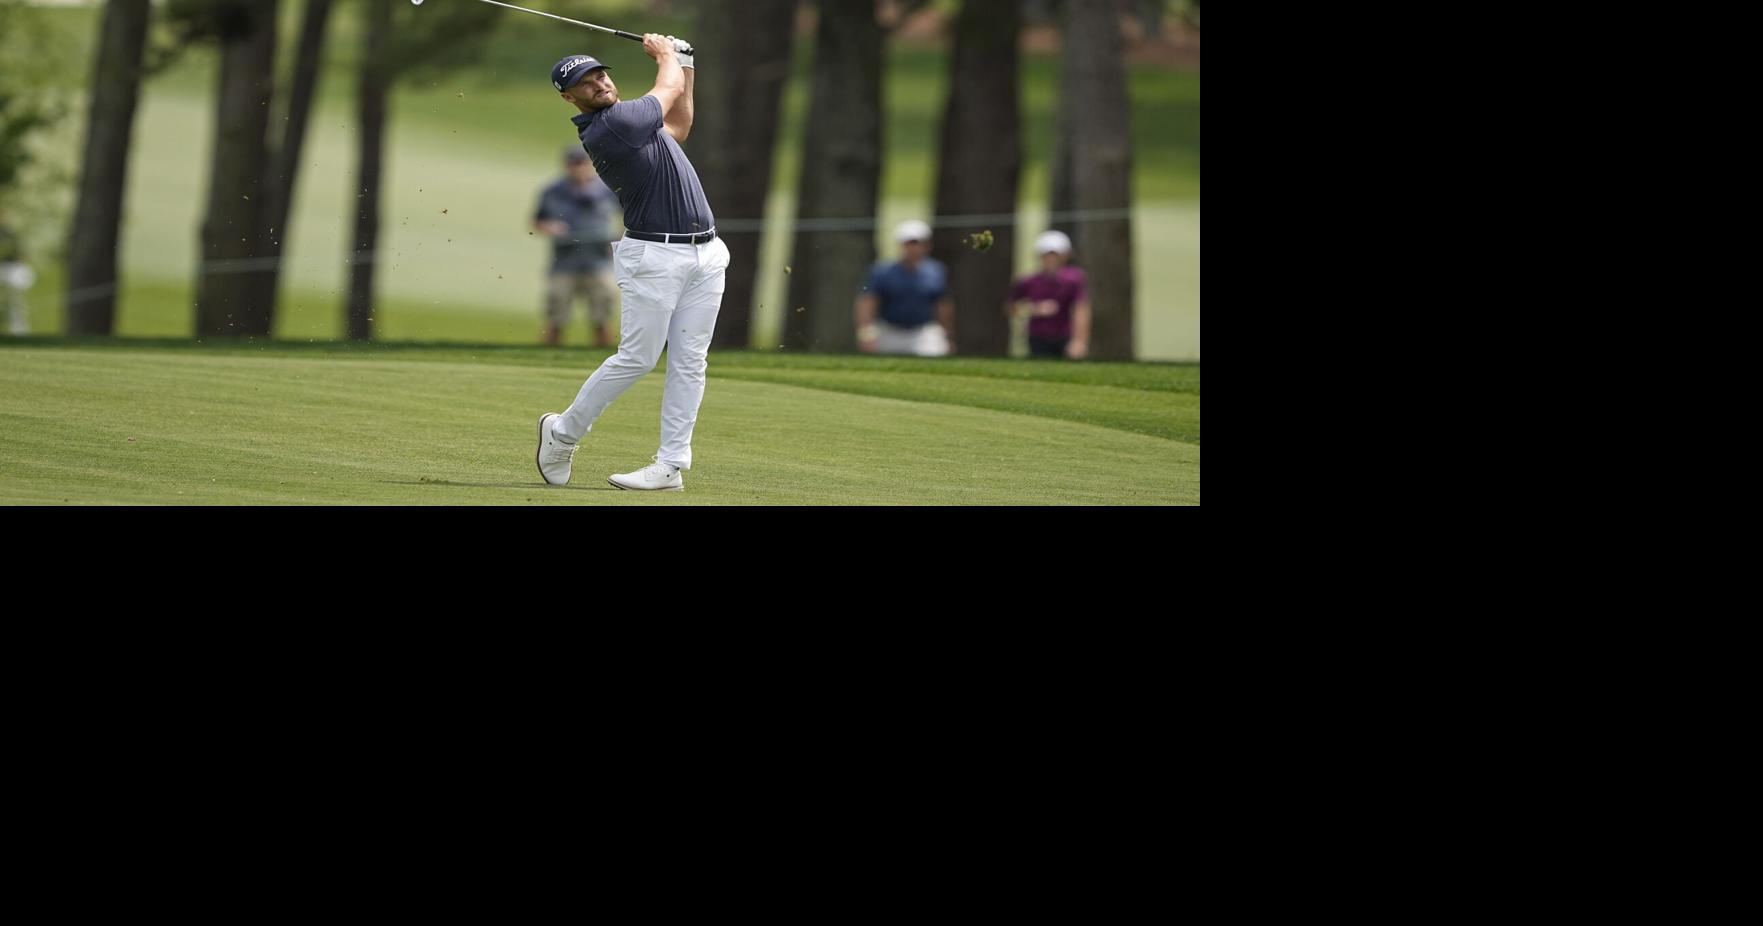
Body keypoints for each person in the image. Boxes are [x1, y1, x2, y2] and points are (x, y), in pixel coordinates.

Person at [534, 36, 728, 493]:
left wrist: (686, 63)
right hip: (654, 256)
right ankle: (561, 434)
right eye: (584, 83)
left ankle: (670, 466)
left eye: (600, 74)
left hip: (705, 253)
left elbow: (678, 124)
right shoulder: (611, 125)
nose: (599, 83)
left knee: (690, 363)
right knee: (638, 358)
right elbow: (664, 94)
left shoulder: (637, 126)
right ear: (569, 97)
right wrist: (666, 57)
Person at [534, 146, 620, 347]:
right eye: (574, 164)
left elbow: (629, 217)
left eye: (582, 163)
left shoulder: (607, 190)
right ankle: (547, 356)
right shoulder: (553, 191)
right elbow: (537, 221)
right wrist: (551, 227)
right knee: (556, 316)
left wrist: (619, 240)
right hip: (564, 261)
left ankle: (603, 357)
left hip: (599, 260)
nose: (578, 168)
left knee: (602, 316)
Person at [855, 220, 953, 356]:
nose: (914, 248)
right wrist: (866, 335)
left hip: (923, 332)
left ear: (927, 245)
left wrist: (946, 335)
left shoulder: (936, 271)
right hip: (889, 331)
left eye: (918, 243)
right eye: (909, 243)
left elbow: (942, 305)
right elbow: (867, 303)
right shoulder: (882, 271)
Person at [1007, 230, 1090, 359]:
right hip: (1038, 338)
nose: (1051, 259)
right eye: (1047, 254)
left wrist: (1079, 341)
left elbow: (1080, 309)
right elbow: (1010, 308)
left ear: (1066, 255)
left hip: (1065, 337)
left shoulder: (1074, 279)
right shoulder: (1027, 282)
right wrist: (1034, 309)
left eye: (1056, 255)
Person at [0, 212, 33, 336]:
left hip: (11, 269)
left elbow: (21, 254)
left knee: (16, 300)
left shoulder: (10, 235)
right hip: (4, 269)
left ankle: (18, 329)